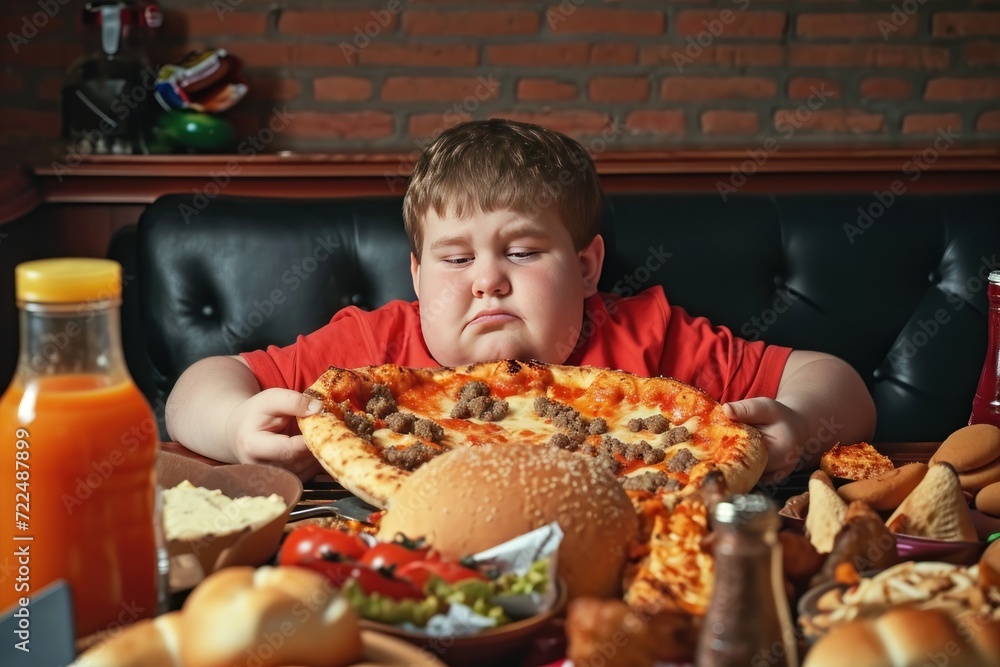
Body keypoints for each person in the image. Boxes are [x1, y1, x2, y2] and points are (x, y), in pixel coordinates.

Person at [165, 119, 876, 484]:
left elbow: (838, 384)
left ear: (589, 265)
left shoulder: (650, 338)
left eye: (523, 251)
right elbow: (196, 388)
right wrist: (235, 427)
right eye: (455, 257)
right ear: (416, 276)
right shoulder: (373, 349)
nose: (487, 279)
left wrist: (800, 423)